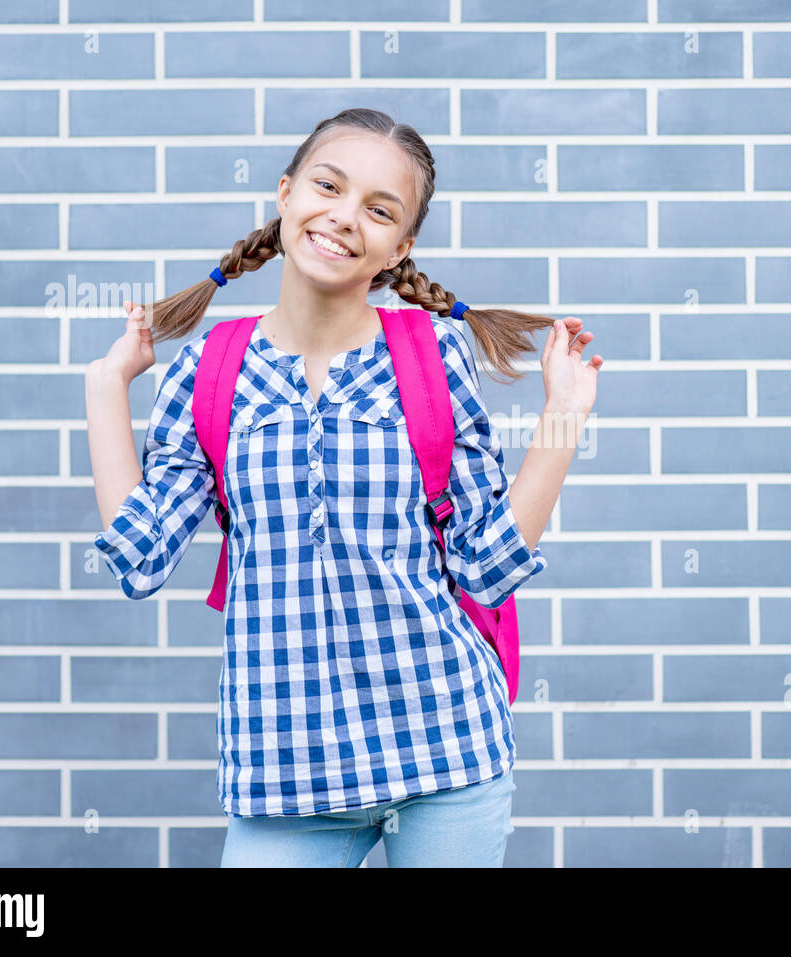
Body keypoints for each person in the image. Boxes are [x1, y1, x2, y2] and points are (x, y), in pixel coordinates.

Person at [84, 108, 602, 867]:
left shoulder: (432, 358)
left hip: (445, 756)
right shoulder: (209, 373)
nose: (344, 217)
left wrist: (562, 417)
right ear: (288, 192)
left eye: (379, 209)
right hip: (284, 777)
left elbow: (487, 566)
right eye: (328, 185)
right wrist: (105, 388)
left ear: (401, 247)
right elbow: (139, 559)